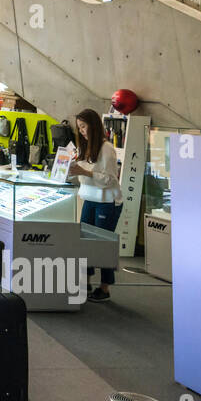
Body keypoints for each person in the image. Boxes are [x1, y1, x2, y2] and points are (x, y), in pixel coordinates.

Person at [70, 107, 121, 302]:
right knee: (84, 243)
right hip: (90, 199)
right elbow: (84, 173)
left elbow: (109, 179)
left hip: (107, 202)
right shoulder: (84, 147)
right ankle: (87, 282)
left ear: (93, 125)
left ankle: (105, 287)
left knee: (103, 246)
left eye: (84, 126)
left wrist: (84, 172)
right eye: (79, 128)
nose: (82, 131)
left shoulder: (107, 149)